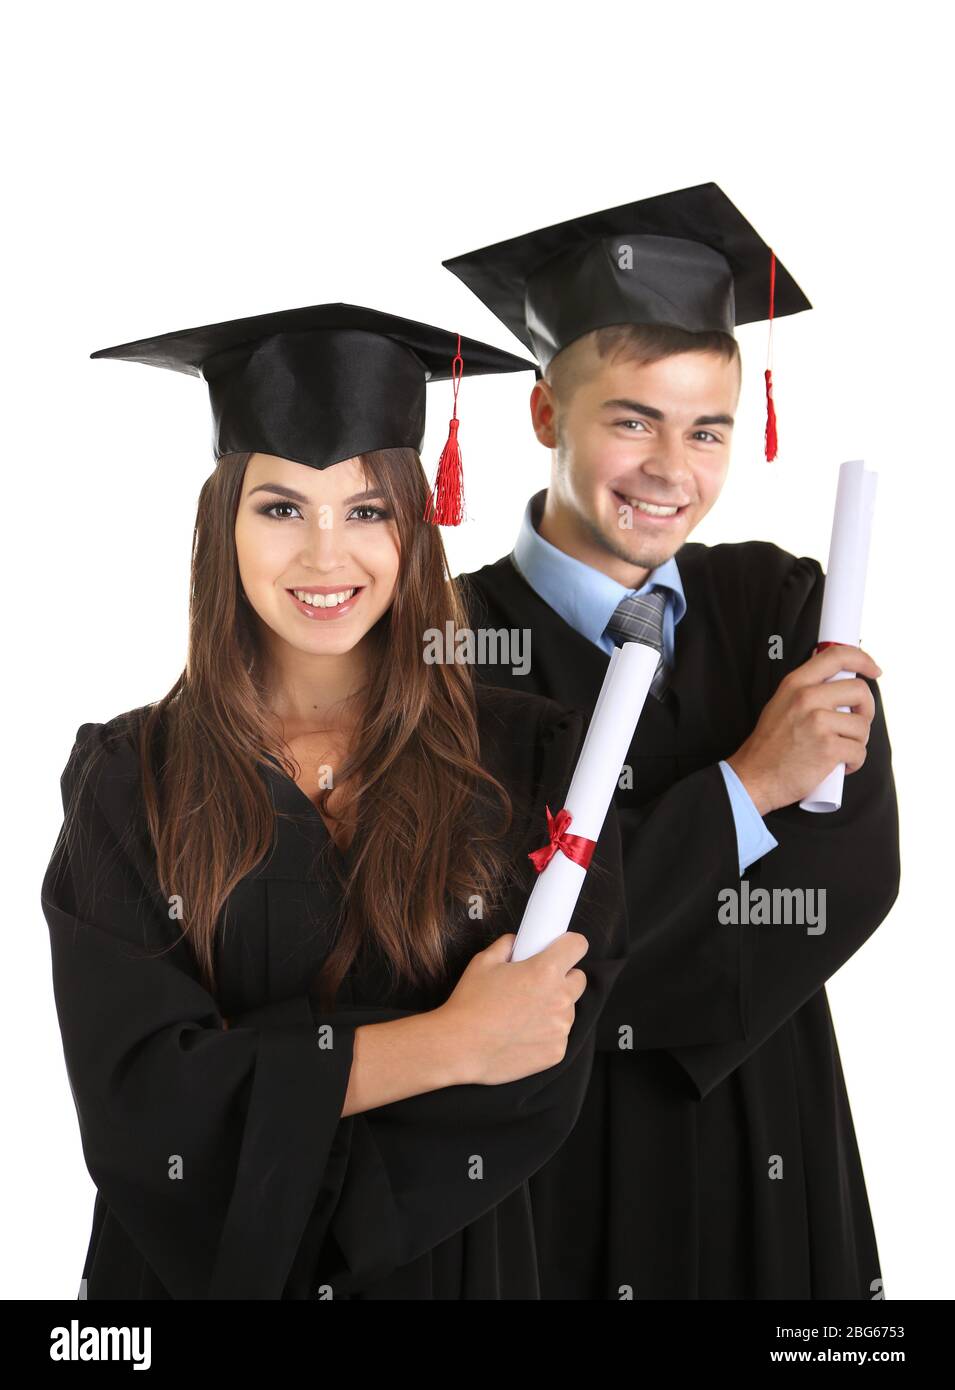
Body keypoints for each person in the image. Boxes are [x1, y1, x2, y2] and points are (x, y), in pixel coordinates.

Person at [40, 302, 631, 1300]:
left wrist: (269, 1091)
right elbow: (143, 1106)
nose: (324, 556)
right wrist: (445, 1042)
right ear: (221, 527)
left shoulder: (537, 761)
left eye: (366, 511)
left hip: (448, 1272)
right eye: (279, 508)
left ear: (416, 524)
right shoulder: (128, 777)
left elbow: (535, 1068)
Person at [444, 182, 901, 1299]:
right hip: (555, 1144)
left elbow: (850, 875)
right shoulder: (453, 644)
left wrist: (599, 962)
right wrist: (749, 788)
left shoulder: (783, 604)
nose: (669, 469)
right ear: (547, 415)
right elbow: (495, 920)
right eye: (630, 419)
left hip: (766, 1121)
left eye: (706, 430)